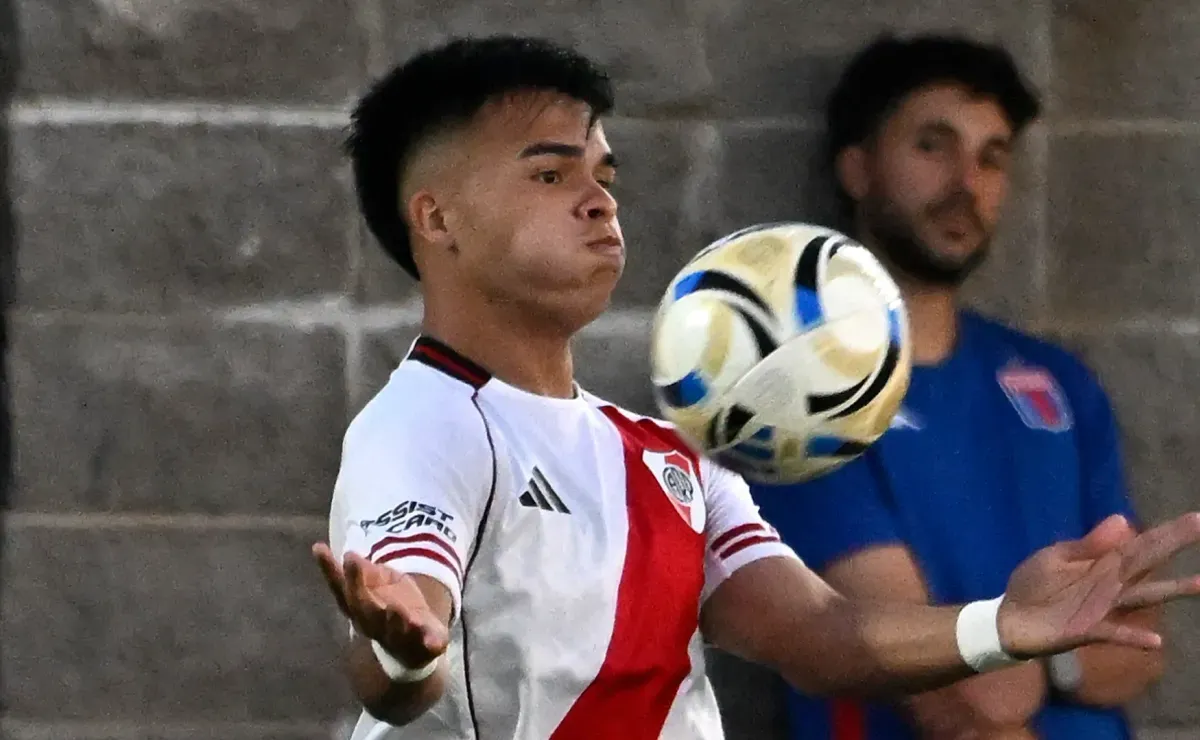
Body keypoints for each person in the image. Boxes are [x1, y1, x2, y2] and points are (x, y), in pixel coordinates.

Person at [311, 34, 1200, 740]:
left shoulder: (669, 452)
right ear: (437, 217)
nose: (600, 200)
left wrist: (1000, 625)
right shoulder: (420, 425)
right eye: (551, 174)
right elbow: (399, 653)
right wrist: (398, 656)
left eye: (603, 175)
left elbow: (820, 637)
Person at [748, 34, 1166, 740]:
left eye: (991, 156)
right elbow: (932, 685)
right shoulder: (803, 391)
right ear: (857, 168)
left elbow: (1138, 642)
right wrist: (1056, 645)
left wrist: (1046, 664)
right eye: (932, 146)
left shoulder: (1058, 382)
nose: (966, 182)